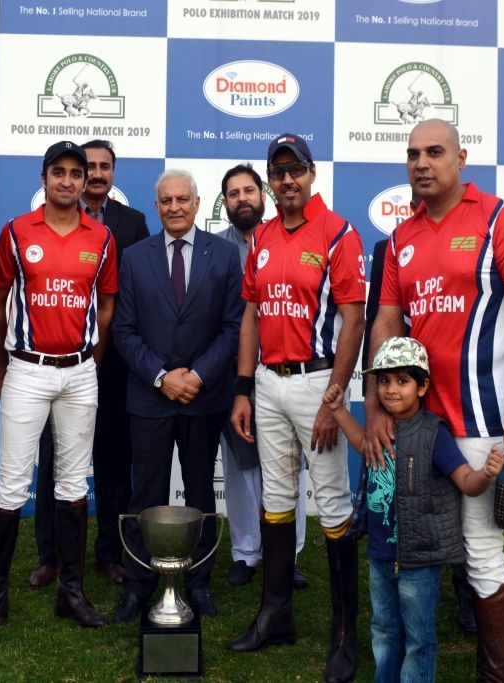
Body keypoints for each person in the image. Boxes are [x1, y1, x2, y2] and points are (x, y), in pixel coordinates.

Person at [367, 119, 504, 682]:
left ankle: (495, 676)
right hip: (418, 423)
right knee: (413, 546)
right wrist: (375, 408)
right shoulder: (401, 238)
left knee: (480, 553)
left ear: (461, 158)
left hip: (480, 423)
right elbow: (387, 325)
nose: (422, 163)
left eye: (435, 152)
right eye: (413, 154)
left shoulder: (499, 219)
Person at [229, 134, 366, 683]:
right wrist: (242, 387)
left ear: (312, 175)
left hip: (317, 382)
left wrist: (335, 396)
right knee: (278, 498)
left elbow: (354, 319)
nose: (288, 180)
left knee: (332, 503)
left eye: (296, 170)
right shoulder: (260, 235)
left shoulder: (338, 233)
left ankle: (343, 634)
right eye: (278, 172)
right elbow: (251, 318)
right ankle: (275, 615)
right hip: (268, 381)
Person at [0, 141, 117, 635]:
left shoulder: (101, 237)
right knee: (12, 486)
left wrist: (91, 359)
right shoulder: (15, 232)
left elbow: (107, 303)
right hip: (27, 369)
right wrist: (6, 360)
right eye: (59, 172)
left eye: (77, 174)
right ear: (44, 177)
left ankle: (71, 594)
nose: (69, 181)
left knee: (75, 487)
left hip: (79, 373)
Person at [324, 337, 504, 683]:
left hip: (420, 561)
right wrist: (338, 411)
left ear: (422, 387)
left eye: (402, 381)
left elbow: (466, 480)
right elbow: (363, 444)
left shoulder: (434, 434)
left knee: (419, 639)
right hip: (379, 555)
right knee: (384, 628)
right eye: (384, 381)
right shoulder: (380, 431)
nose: (391, 390)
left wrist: (486, 474)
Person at [112, 169, 243, 623]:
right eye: (165, 200)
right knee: (144, 493)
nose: (174, 207)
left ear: (197, 202)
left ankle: (199, 582)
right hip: (149, 397)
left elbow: (232, 328)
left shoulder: (225, 255)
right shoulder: (132, 257)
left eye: (182, 199)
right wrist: (161, 377)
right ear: (156, 204)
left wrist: (199, 376)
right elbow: (123, 330)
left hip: (203, 399)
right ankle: (137, 584)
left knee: (201, 493)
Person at [27, 139, 150, 590]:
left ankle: (109, 553)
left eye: (104, 167)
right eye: (88, 167)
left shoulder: (133, 223)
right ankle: (52, 555)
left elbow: (134, 296)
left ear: (113, 173)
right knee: (55, 460)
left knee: (114, 464)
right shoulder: (48, 225)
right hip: (58, 364)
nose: (96, 174)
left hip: (114, 367)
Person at [364, 219, 476, 635]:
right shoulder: (390, 249)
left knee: (462, 515)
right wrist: (374, 398)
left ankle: (466, 599)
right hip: (411, 391)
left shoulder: (474, 243)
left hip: (463, 399)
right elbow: (380, 320)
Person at [217, 163, 309, 590]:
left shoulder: (284, 240)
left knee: (288, 467)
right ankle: (245, 553)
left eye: (248, 190)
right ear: (225, 203)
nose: (242, 199)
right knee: (241, 469)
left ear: (263, 194)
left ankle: (287, 556)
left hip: (283, 373)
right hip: (233, 378)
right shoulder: (212, 250)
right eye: (233, 194)